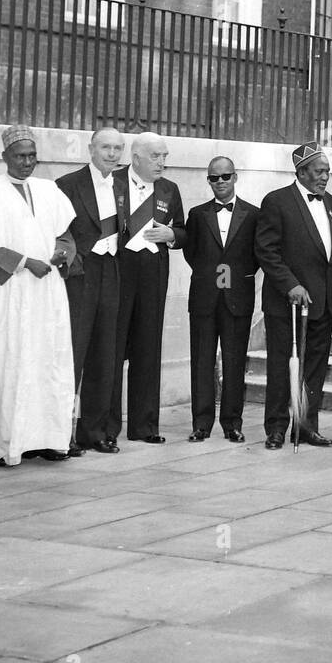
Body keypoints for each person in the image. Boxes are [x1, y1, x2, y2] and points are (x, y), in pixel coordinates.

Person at [0, 126, 77, 466]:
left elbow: (66, 235)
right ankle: (6, 442)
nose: (27, 162)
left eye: (31, 156)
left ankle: (48, 438)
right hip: (11, 291)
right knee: (10, 360)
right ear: (5, 158)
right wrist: (26, 263)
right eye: (19, 156)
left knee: (49, 361)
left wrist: (61, 254)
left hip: (48, 291)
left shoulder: (49, 189)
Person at [255, 142, 332, 450]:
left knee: (315, 369)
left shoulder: (330, 202)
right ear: (301, 172)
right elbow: (266, 250)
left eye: (328, 172)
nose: (325, 177)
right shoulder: (277, 201)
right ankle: (277, 428)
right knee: (282, 366)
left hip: (323, 303)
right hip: (287, 303)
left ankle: (306, 426)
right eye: (319, 171)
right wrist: (290, 284)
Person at [110, 132, 186, 445]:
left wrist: (171, 234)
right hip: (118, 272)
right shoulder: (112, 182)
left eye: (164, 156)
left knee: (148, 347)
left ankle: (145, 426)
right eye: (156, 156)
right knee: (112, 350)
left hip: (153, 273)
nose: (162, 163)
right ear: (137, 156)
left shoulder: (170, 188)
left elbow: (184, 232)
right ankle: (106, 428)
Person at [57, 128, 125, 453]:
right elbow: (59, 230)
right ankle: (60, 434)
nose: (111, 154)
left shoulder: (125, 184)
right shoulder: (68, 184)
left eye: (117, 148)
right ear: (91, 149)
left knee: (104, 354)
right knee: (73, 352)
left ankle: (94, 432)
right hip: (80, 273)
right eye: (105, 147)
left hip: (111, 270)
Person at [183, 156, 259, 443]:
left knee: (234, 362)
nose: (220, 182)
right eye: (214, 178)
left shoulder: (253, 214)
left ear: (235, 177)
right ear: (208, 181)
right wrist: (211, 276)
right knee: (201, 362)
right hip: (204, 298)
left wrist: (235, 277)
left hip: (237, 298)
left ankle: (232, 424)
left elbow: (255, 256)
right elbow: (192, 253)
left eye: (225, 176)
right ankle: (201, 423)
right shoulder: (197, 214)